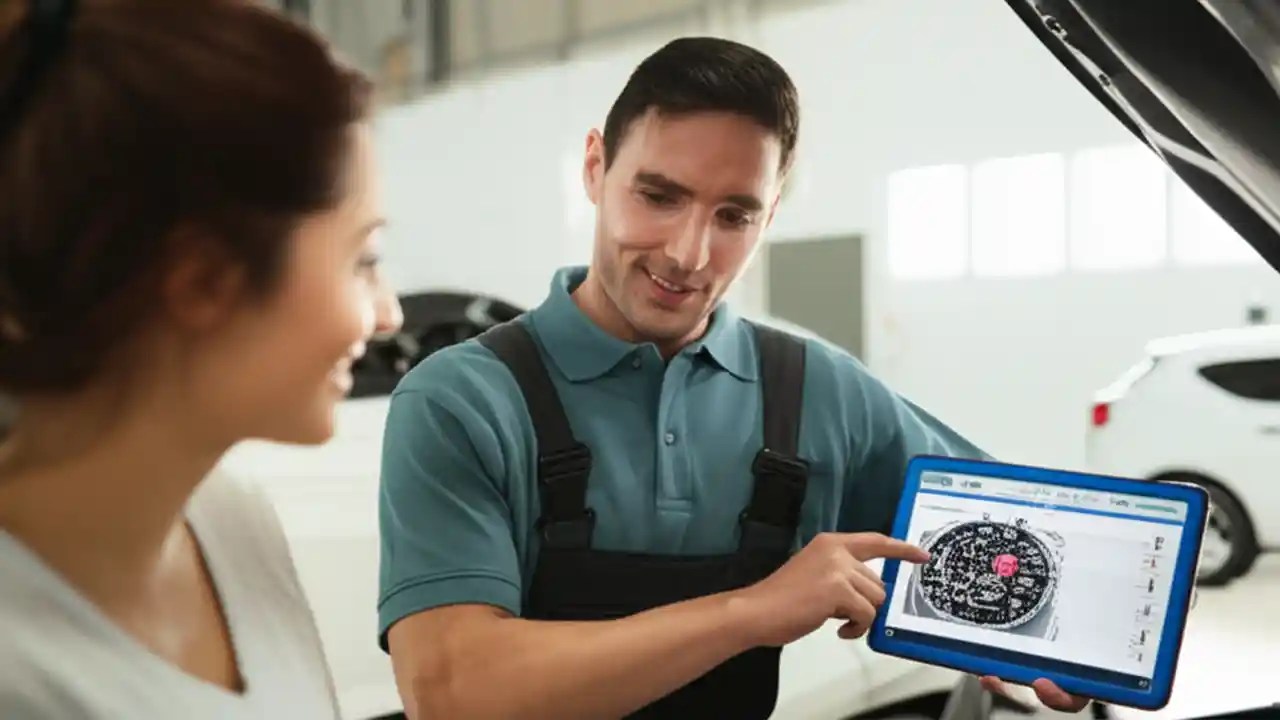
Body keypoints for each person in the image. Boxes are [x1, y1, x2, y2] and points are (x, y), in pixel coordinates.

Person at [377, 36, 1090, 719]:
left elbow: (1039, 546)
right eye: (659, 196)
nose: (689, 253)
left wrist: (1072, 639)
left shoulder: (818, 393)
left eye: (734, 216)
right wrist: (752, 612)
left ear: (769, 214)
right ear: (595, 167)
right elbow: (453, 694)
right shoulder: (463, 402)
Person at [0, 1, 402, 718]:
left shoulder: (230, 518)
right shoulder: (20, 677)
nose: (389, 315)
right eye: (362, 260)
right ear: (205, 280)